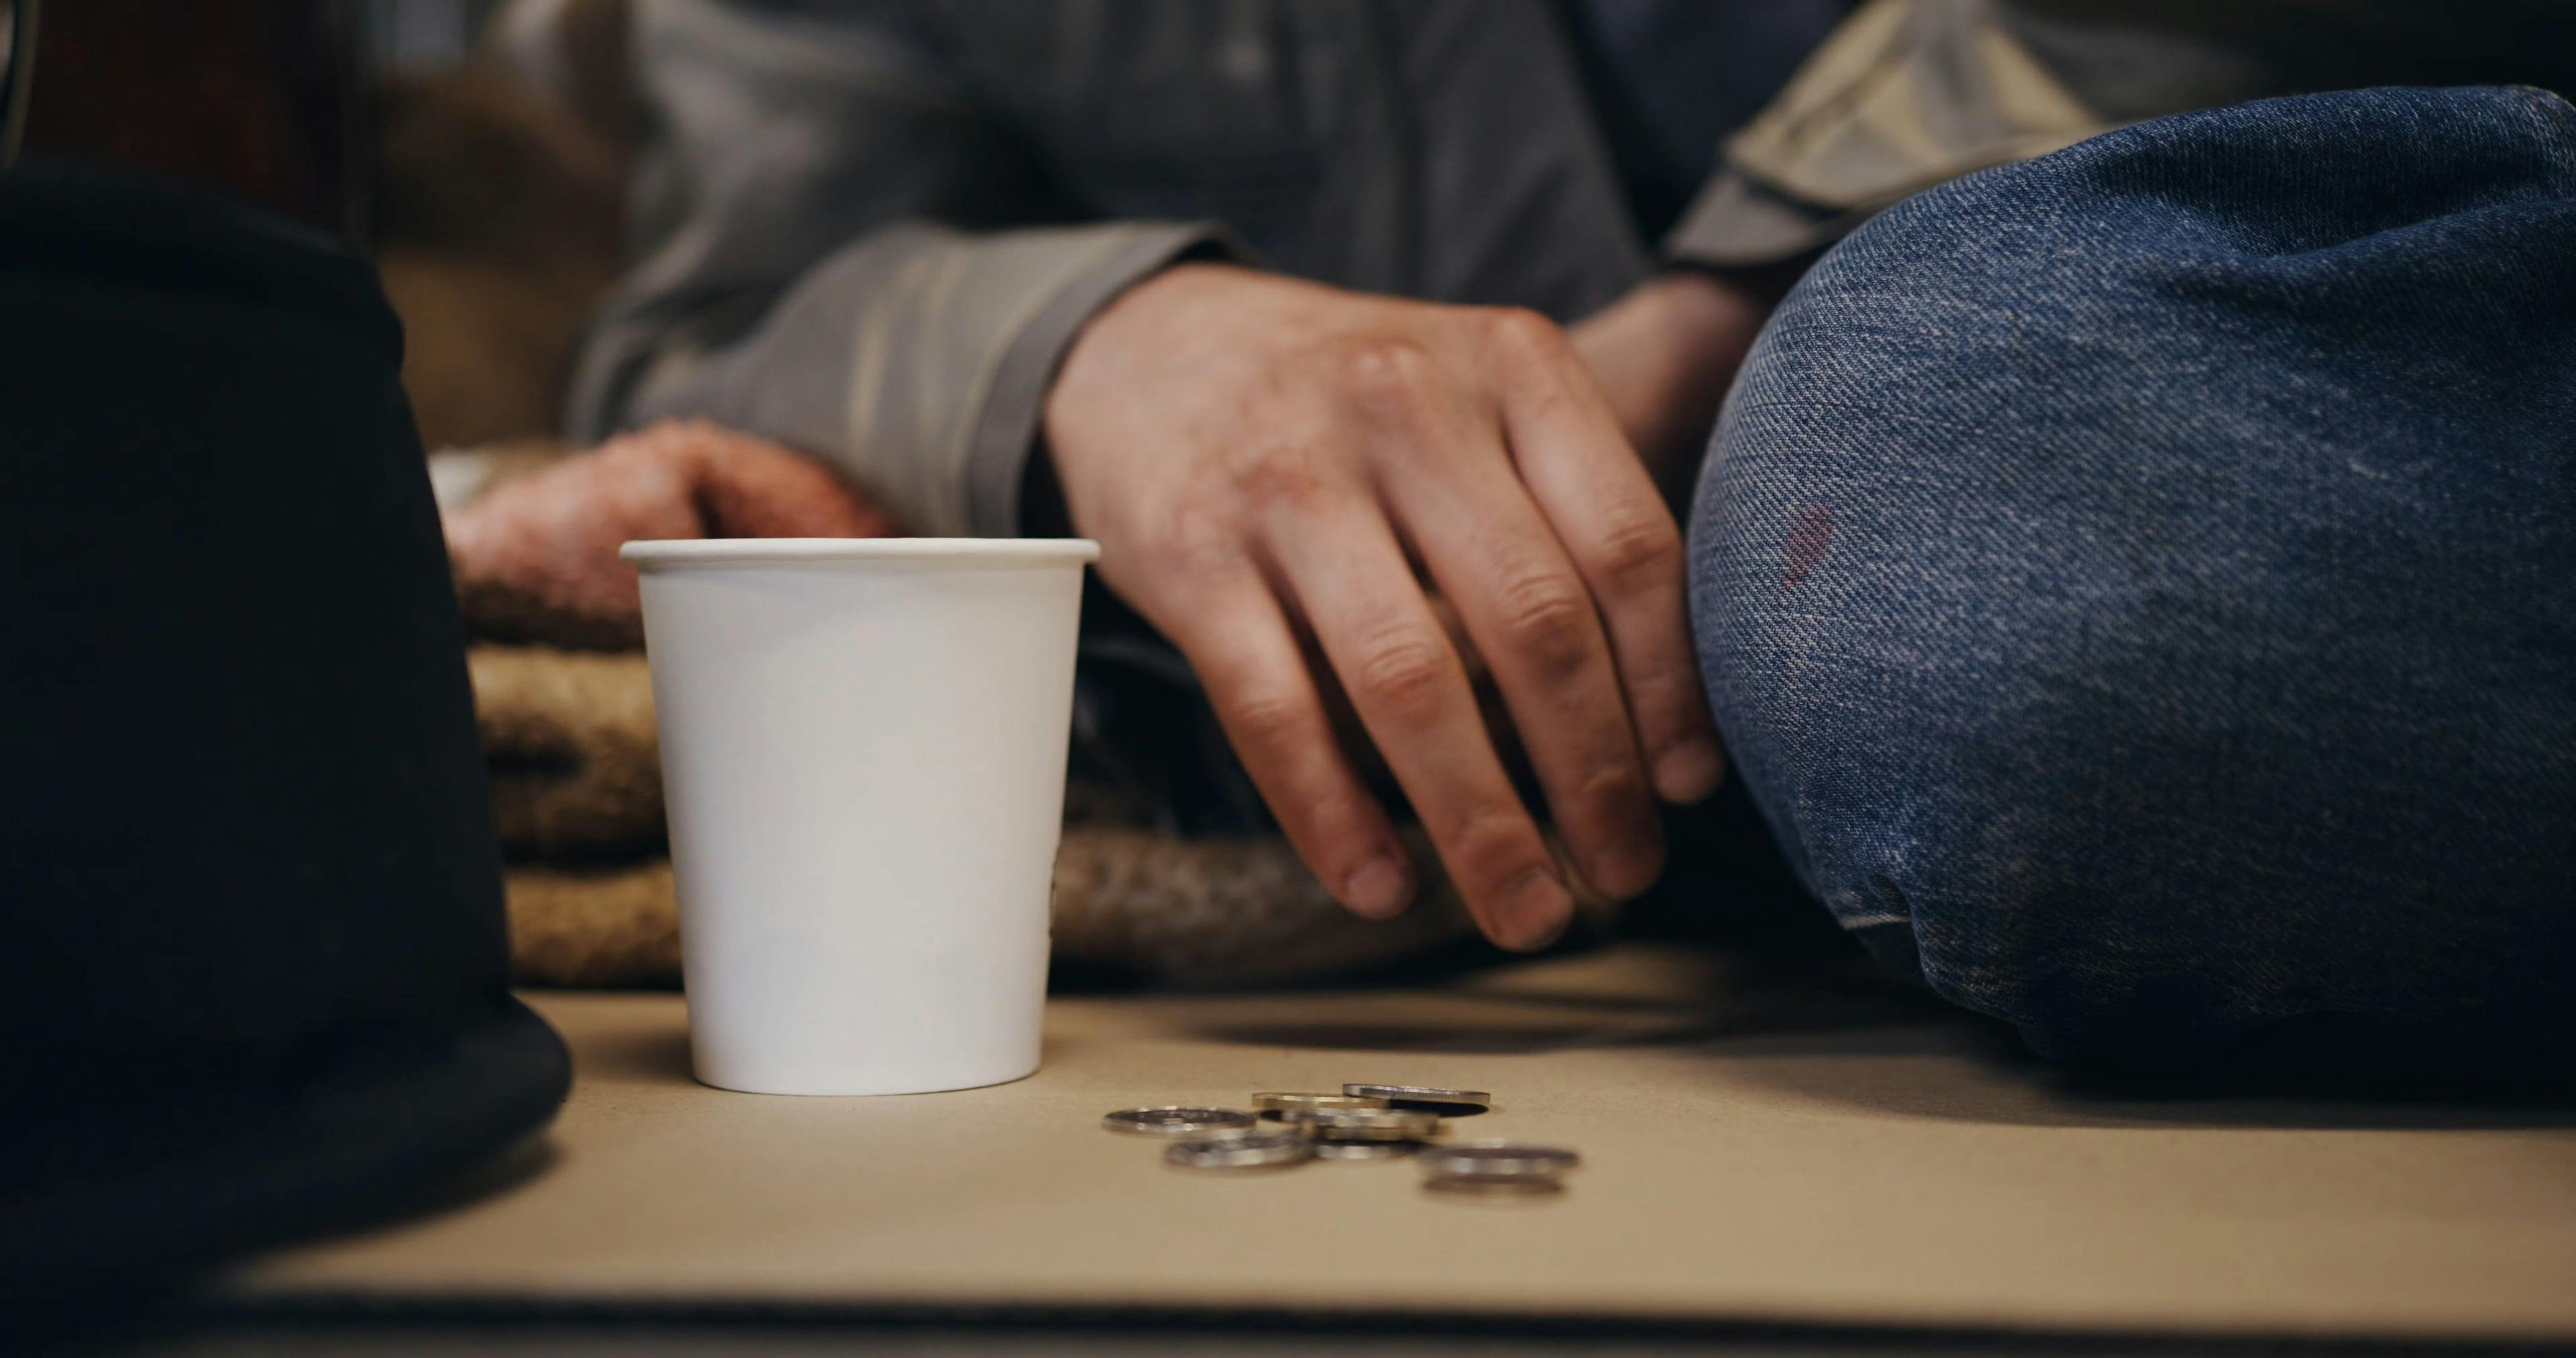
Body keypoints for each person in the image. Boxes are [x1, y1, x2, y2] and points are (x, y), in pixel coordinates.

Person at [453, 0, 2575, 1065]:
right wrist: (1098, 341)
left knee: (1926, 509)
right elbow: (710, 335)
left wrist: (1720, 339)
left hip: (2148, 347)